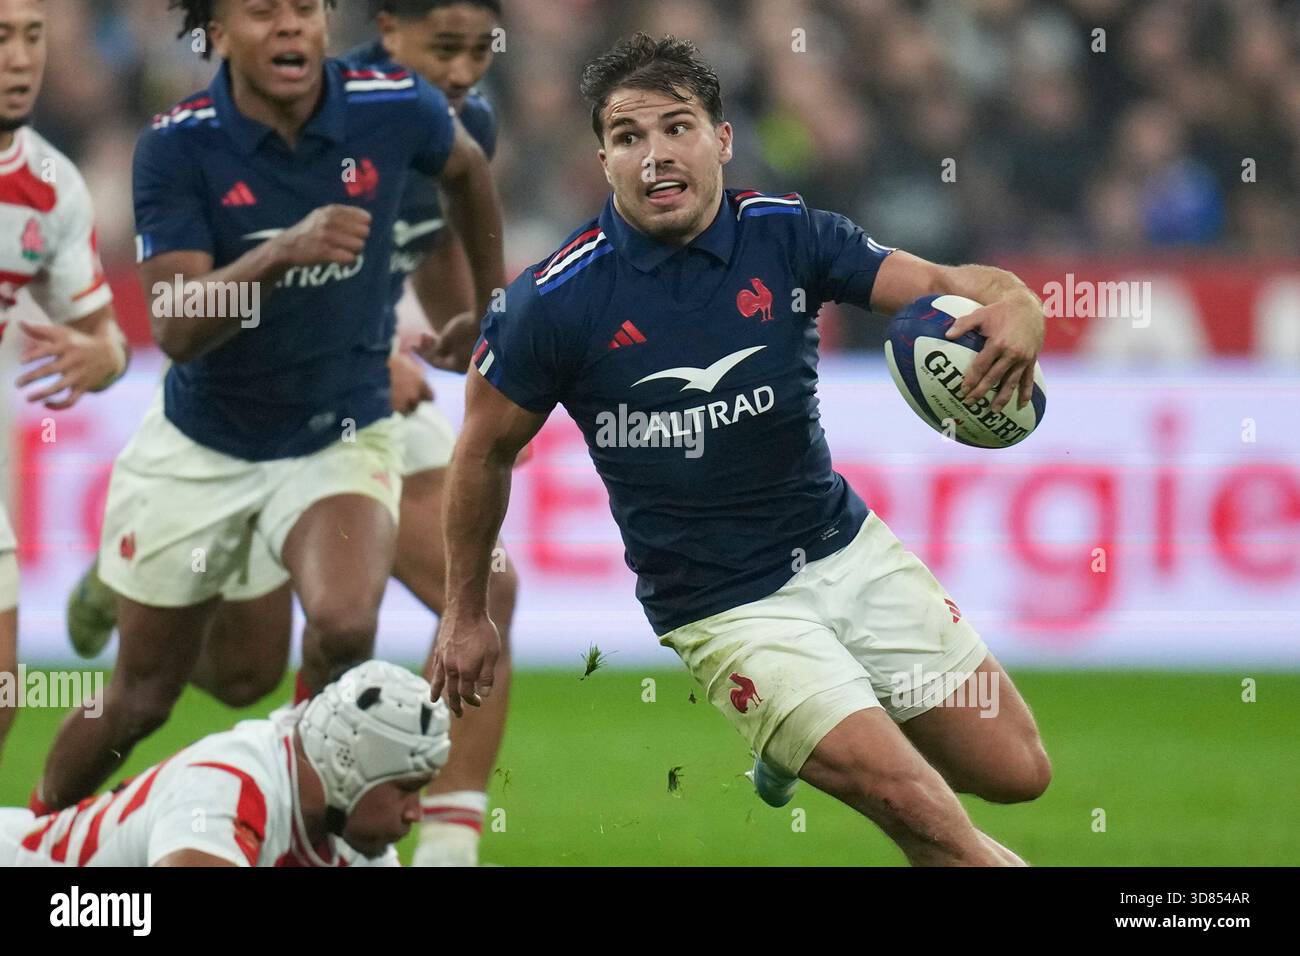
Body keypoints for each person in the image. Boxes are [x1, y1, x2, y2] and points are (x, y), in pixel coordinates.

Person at [432, 33, 1052, 866]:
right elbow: (480, 454)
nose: (654, 155)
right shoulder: (552, 302)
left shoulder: (788, 236)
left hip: (842, 548)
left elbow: (951, 283)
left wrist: (1015, 300)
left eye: (676, 128)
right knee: (914, 806)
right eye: (628, 138)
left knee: (1017, 773)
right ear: (603, 160)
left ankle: (797, 730)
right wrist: (465, 613)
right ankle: (809, 714)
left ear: (721, 140)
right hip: (723, 603)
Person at [64, 0, 516, 867]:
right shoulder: (206, 137)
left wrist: (487, 328)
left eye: (476, 53)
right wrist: (309, 279)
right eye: (442, 49)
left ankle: (427, 843)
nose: (461, 73)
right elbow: (184, 320)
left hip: (357, 406)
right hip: (249, 408)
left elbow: (426, 239)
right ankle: (49, 823)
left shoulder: (434, 123)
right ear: (387, 35)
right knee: (225, 679)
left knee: (468, 590)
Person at [0, 0, 130, 764]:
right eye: (1, 40)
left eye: (31, 38)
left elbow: (104, 340)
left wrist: (99, 359)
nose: (20, 59)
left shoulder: (50, 185)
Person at [1, 660, 449, 866]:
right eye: (406, 787)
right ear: (353, 766)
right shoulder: (229, 784)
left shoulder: (355, 839)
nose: (415, 812)